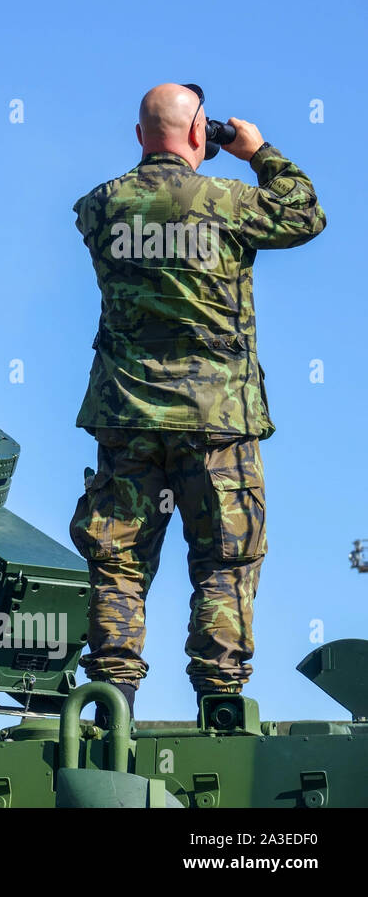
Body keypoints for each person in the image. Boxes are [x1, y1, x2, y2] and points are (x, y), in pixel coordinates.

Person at [69, 84, 326, 725]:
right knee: (225, 557)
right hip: (218, 419)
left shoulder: (101, 207)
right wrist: (258, 150)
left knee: (119, 560)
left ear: (138, 137)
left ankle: (112, 699)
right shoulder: (231, 202)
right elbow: (306, 213)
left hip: (127, 416)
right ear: (198, 134)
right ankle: (220, 700)